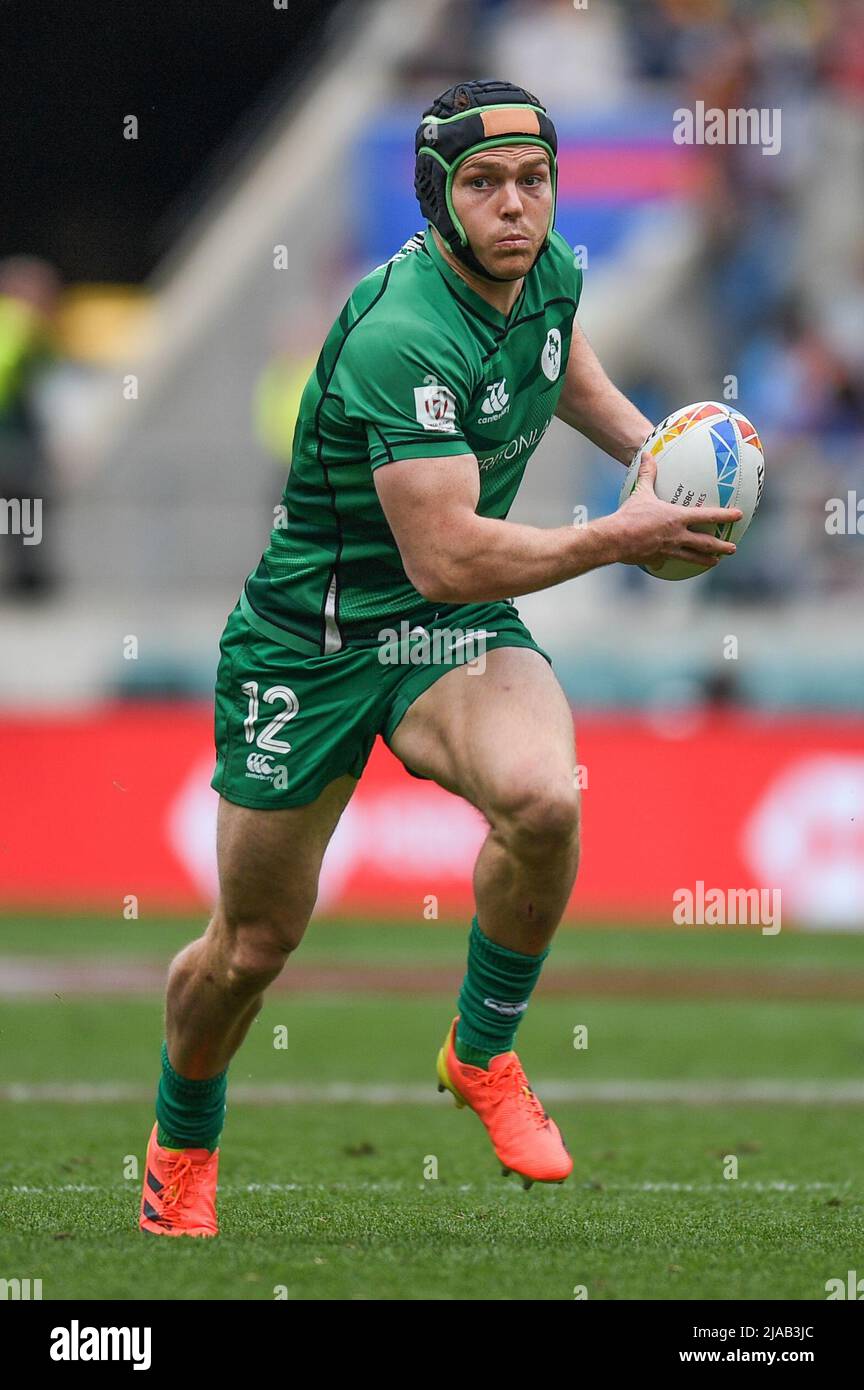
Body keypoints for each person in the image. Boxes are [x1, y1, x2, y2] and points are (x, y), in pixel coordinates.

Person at [139, 79, 740, 1236]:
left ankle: (483, 1051)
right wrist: (621, 535)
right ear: (438, 198)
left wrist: (657, 453)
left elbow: (559, 364)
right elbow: (449, 557)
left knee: (544, 802)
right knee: (254, 944)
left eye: (533, 179)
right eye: (483, 183)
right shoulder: (402, 330)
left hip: (443, 636)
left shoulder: (550, 269)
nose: (516, 205)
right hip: (312, 642)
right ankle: (183, 1137)